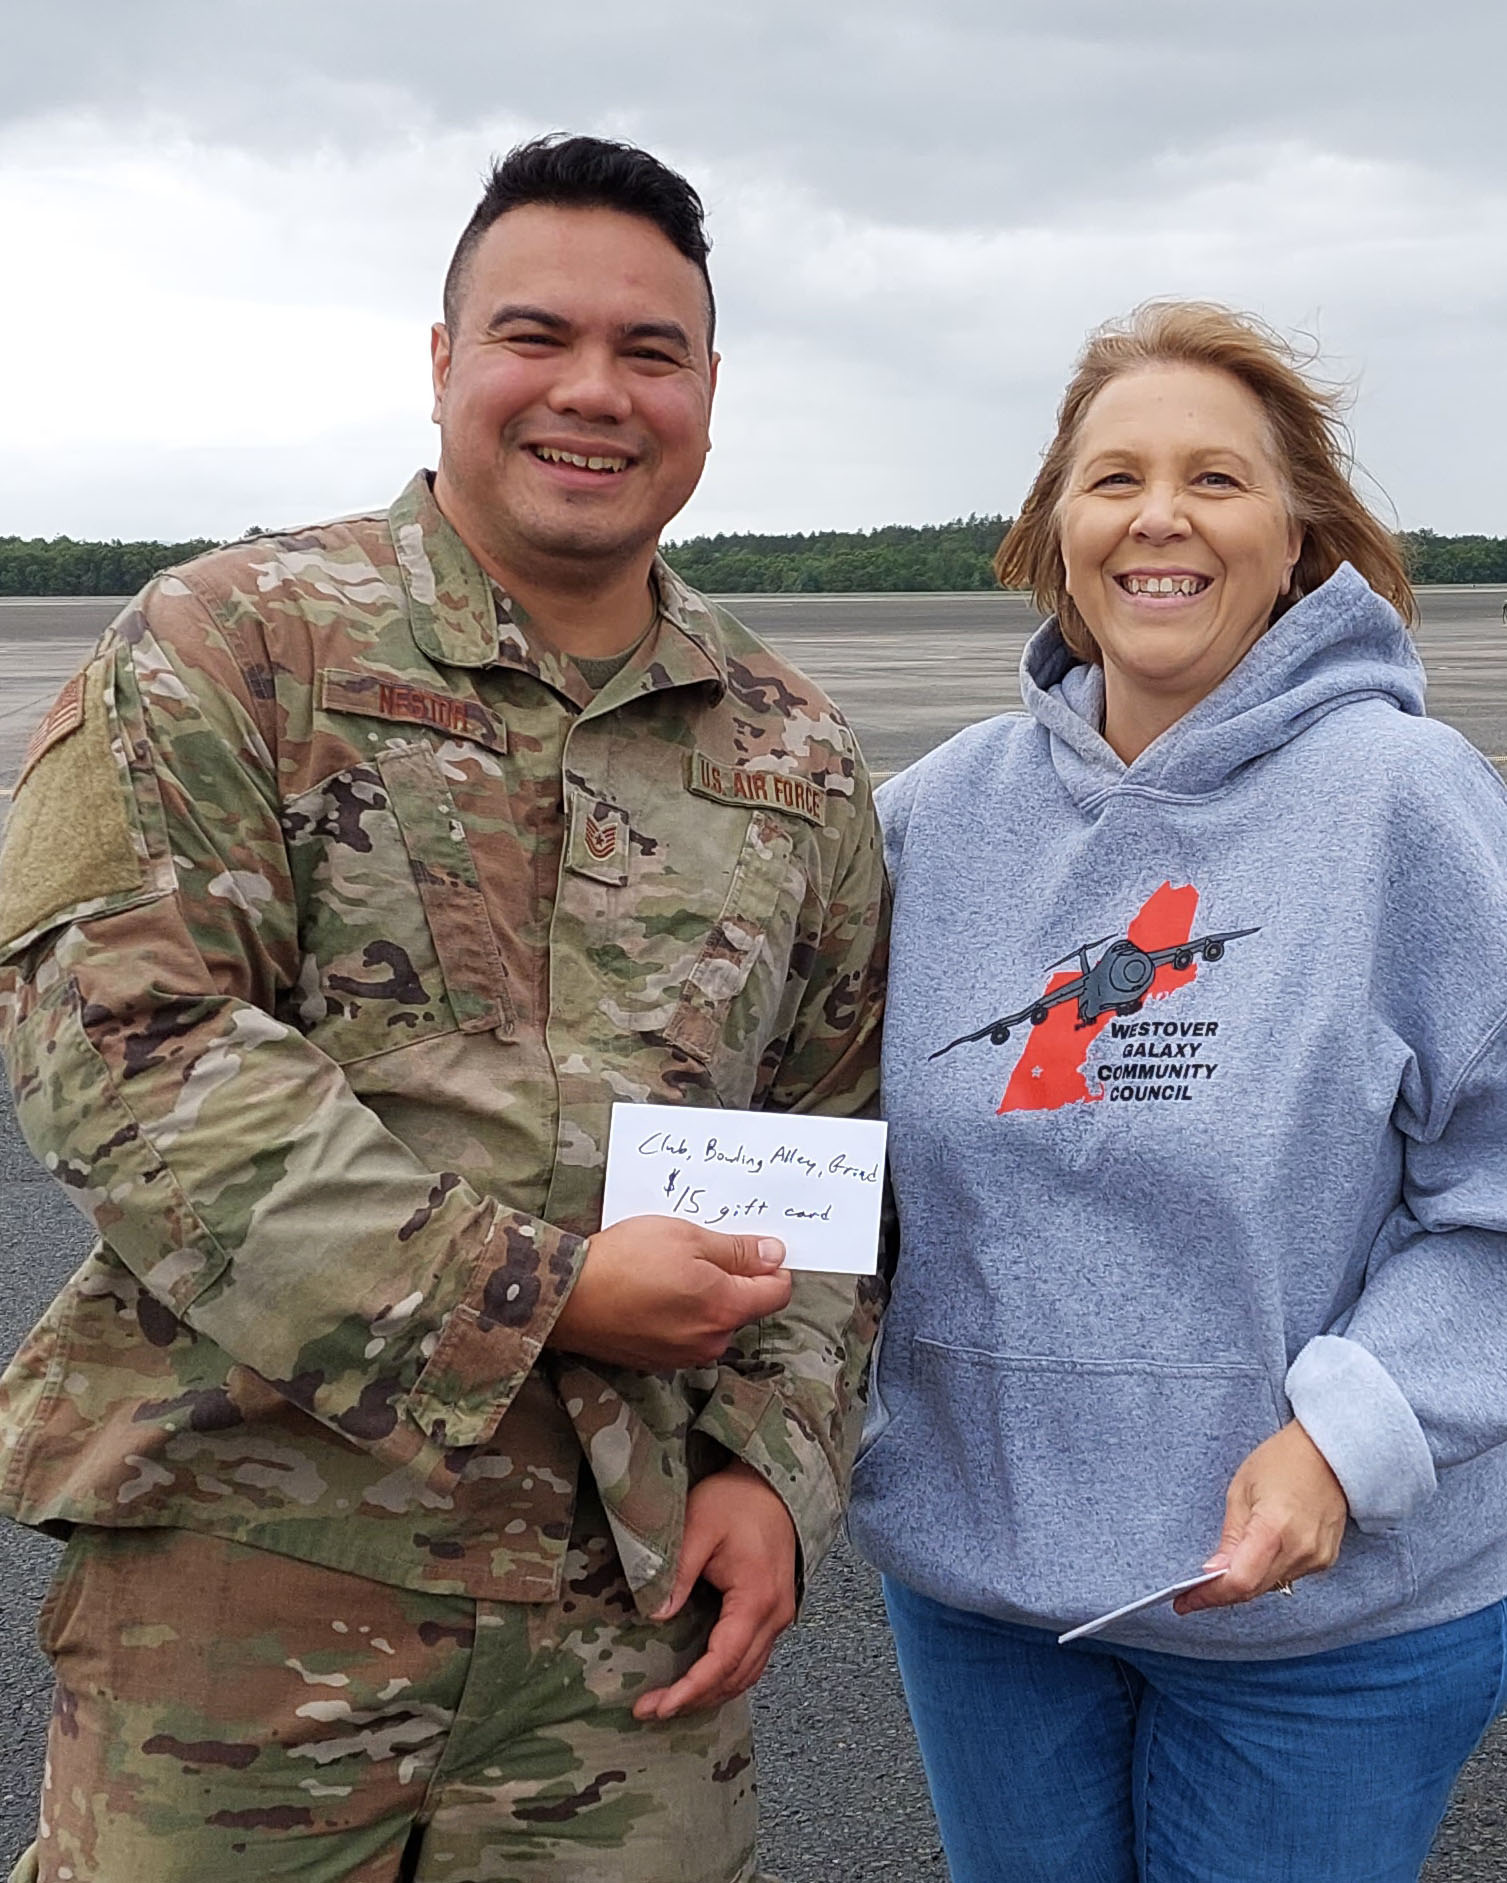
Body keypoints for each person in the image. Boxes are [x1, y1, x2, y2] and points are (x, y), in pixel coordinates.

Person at [0, 135, 886, 1883]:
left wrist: (773, 1469)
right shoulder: (229, 649)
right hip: (256, 1590)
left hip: (633, 1629)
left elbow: (828, 1148)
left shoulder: (794, 753)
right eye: (535, 335)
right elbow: (126, 1061)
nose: (593, 393)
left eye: (653, 352)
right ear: (441, 361)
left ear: (709, 390)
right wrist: (543, 1291)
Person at [849, 301, 1507, 1882]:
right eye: (1113, 478)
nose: (1159, 516)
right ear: (1054, 533)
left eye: (1216, 481)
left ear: (1297, 543)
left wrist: (1351, 1435)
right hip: (987, 1592)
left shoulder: (1408, 805)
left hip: (1323, 1613)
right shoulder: (930, 822)